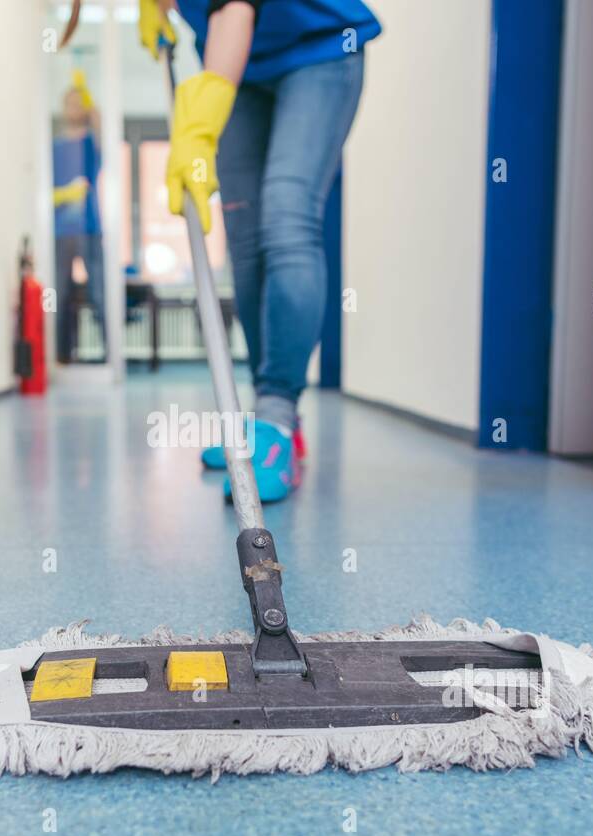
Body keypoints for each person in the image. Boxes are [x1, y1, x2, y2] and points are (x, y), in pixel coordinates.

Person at [141, 0, 381, 502]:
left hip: (321, 49)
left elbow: (234, 8)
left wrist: (201, 125)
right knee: (246, 243)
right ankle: (267, 421)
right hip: (242, 64)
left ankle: (277, 413)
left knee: (287, 217)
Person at [52, 70, 106, 363]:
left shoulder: (90, 143)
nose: (74, 107)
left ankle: (110, 355)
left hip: (89, 228)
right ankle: (62, 355)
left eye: (79, 102)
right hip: (60, 231)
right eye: (69, 102)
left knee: (99, 291)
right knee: (60, 295)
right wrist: (61, 195)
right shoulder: (54, 146)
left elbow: (100, 126)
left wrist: (86, 91)